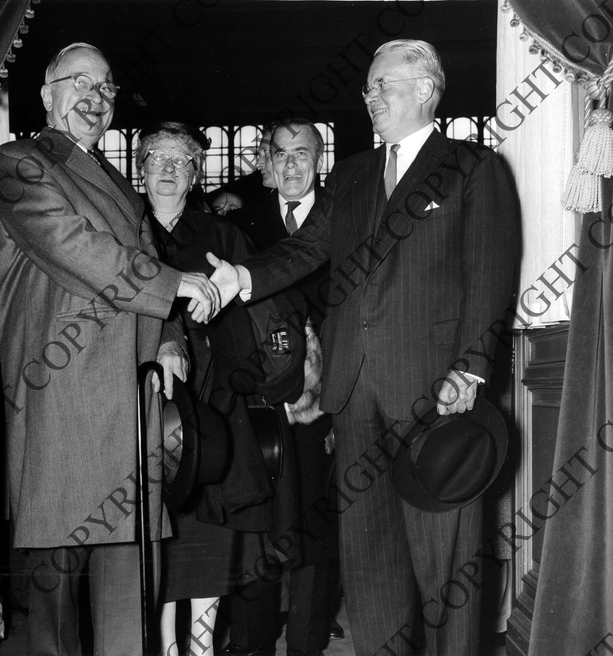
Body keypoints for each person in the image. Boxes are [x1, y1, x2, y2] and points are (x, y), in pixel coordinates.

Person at [210, 39, 519, 656]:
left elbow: (490, 274)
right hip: (353, 392)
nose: (369, 96)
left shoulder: (472, 166)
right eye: (368, 88)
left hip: (436, 393)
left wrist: (473, 369)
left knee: (445, 567)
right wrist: (242, 279)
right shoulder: (351, 174)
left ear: (425, 90)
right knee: (370, 560)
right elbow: (303, 252)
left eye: (383, 86)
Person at [0, 43, 221, 656]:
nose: (95, 98)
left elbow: (147, 261)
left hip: (130, 402)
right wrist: (175, 288)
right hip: (64, 403)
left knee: (130, 597)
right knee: (58, 604)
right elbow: (77, 249)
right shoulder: (20, 162)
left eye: (107, 88)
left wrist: (171, 339)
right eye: (80, 84)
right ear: (47, 94)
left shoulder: (120, 183)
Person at [136, 120, 293, 656]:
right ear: (141, 167)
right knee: (154, 527)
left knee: (209, 528)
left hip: (215, 400)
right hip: (147, 401)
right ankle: (163, 647)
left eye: (182, 161)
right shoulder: (123, 229)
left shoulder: (221, 234)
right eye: (157, 158)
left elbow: (258, 304)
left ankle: (200, 647)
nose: (168, 170)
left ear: (196, 172)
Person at [221, 120, 339, 656]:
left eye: (303, 154)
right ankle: (253, 644)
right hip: (262, 397)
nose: (292, 165)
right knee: (260, 522)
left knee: (316, 521)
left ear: (321, 158)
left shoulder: (342, 214)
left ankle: (309, 643)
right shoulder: (242, 222)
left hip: (324, 395)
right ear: (269, 160)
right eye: (282, 154)